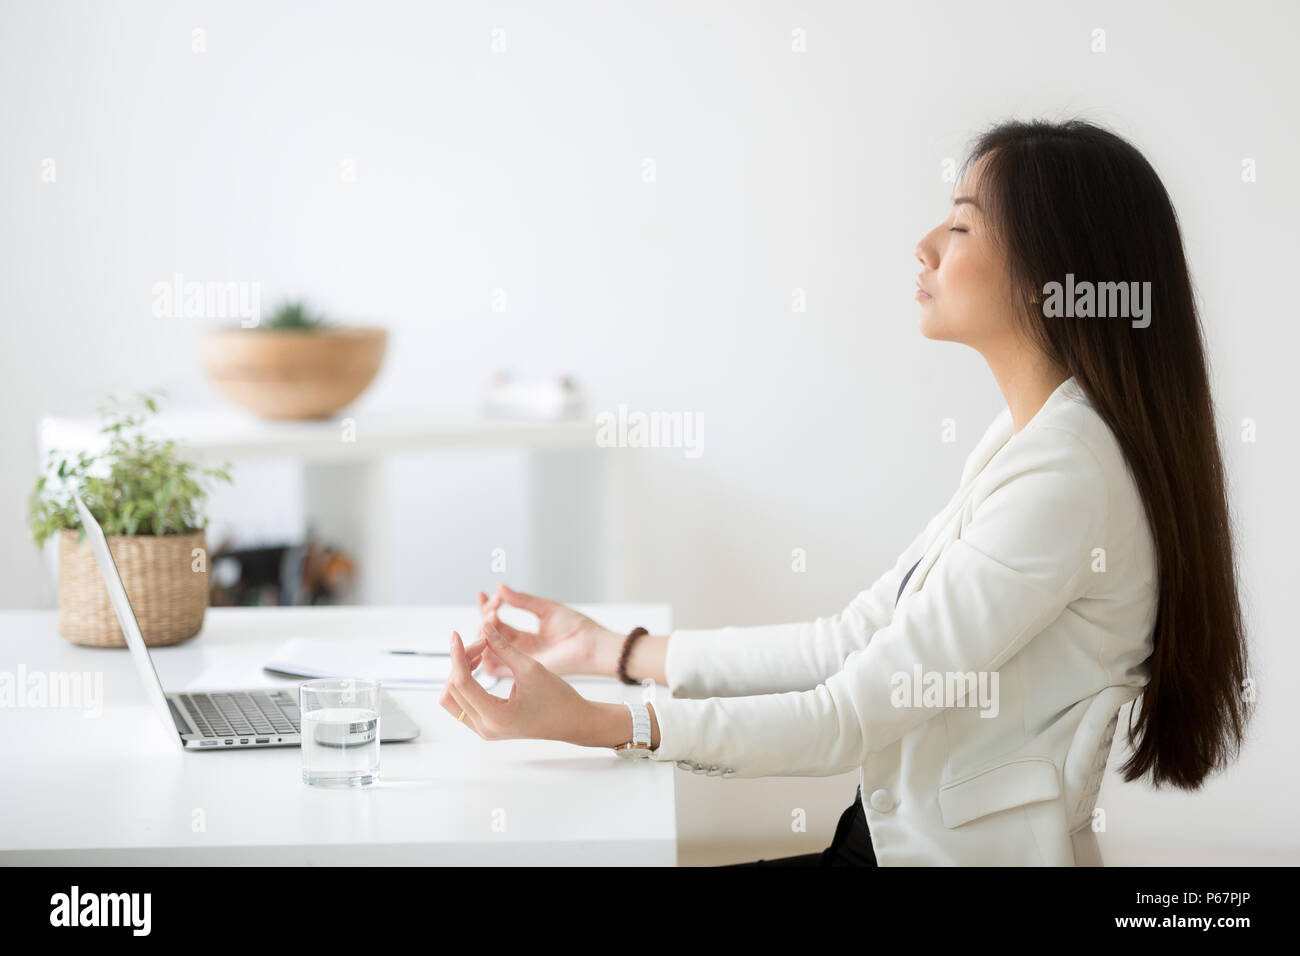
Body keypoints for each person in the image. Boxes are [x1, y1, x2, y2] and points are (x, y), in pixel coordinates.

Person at [439, 118, 1252, 866]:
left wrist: (597, 723)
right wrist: (611, 651)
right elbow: (854, 639)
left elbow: (846, 717)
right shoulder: (1033, 441)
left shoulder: (1069, 476)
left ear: (1055, 275)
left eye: (962, 225)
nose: (926, 246)